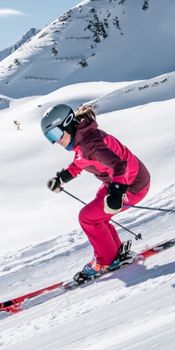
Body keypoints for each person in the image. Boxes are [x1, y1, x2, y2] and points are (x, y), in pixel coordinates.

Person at [40, 104, 151, 283]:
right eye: (50, 138)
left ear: (68, 124)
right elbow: (79, 163)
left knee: (88, 217)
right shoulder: (82, 141)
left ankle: (105, 261)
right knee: (96, 216)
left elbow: (119, 165)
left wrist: (116, 193)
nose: (56, 142)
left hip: (132, 185)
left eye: (55, 134)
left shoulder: (91, 145)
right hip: (119, 183)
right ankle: (114, 255)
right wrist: (61, 178)